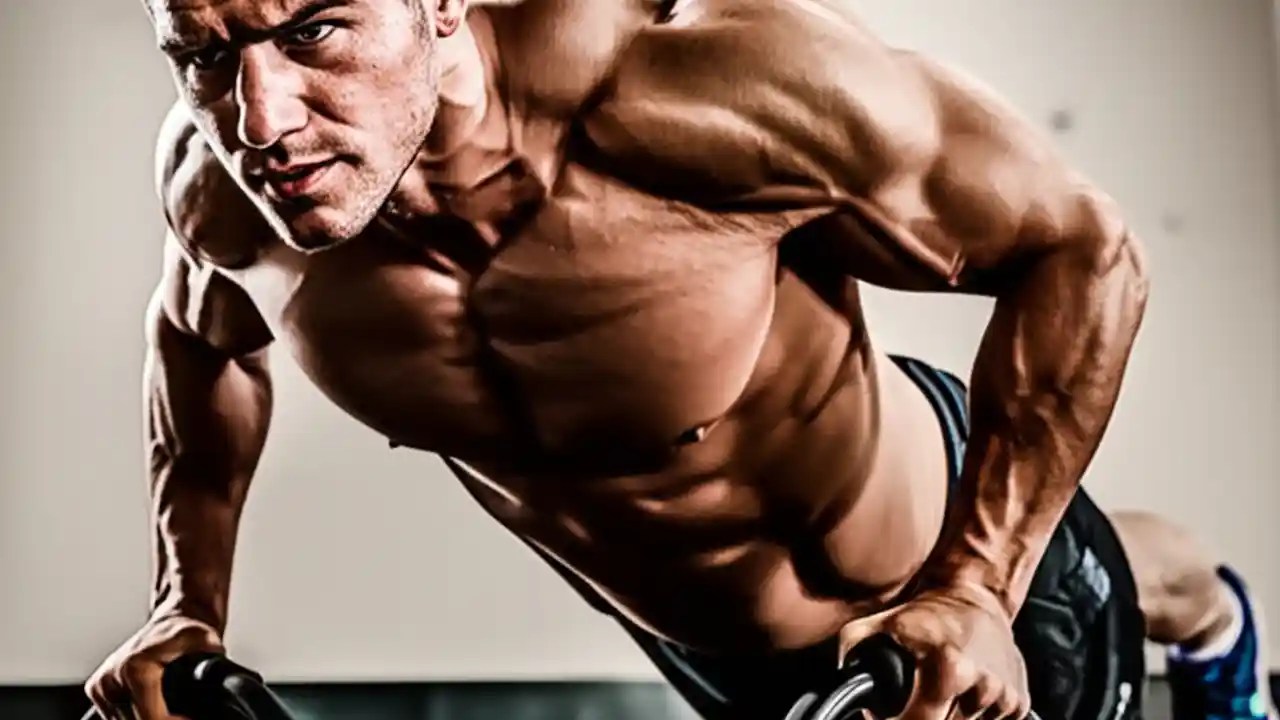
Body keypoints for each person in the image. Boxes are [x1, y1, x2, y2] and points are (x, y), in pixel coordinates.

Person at [85, 1, 1273, 719]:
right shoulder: (227, 202)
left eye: (312, 32)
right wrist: (186, 605)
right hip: (710, 656)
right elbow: (196, 342)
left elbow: (1079, 247)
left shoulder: (686, 92)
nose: (260, 120)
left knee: (1127, 574)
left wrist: (976, 589)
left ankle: (1214, 623)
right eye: (201, 56)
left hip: (930, 573)